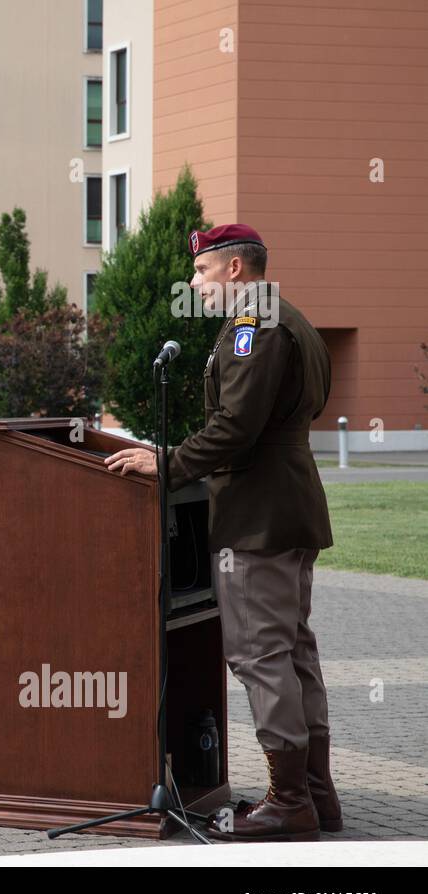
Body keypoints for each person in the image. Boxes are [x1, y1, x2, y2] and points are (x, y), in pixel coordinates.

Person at [105, 224, 338, 842]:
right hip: (288, 505)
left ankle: (289, 801)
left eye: (203, 273)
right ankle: (315, 794)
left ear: (235, 270)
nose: (195, 285)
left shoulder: (254, 327)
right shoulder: (294, 319)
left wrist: (169, 462)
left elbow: (235, 427)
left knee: (260, 653)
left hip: (259, 514)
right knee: (292, 652)